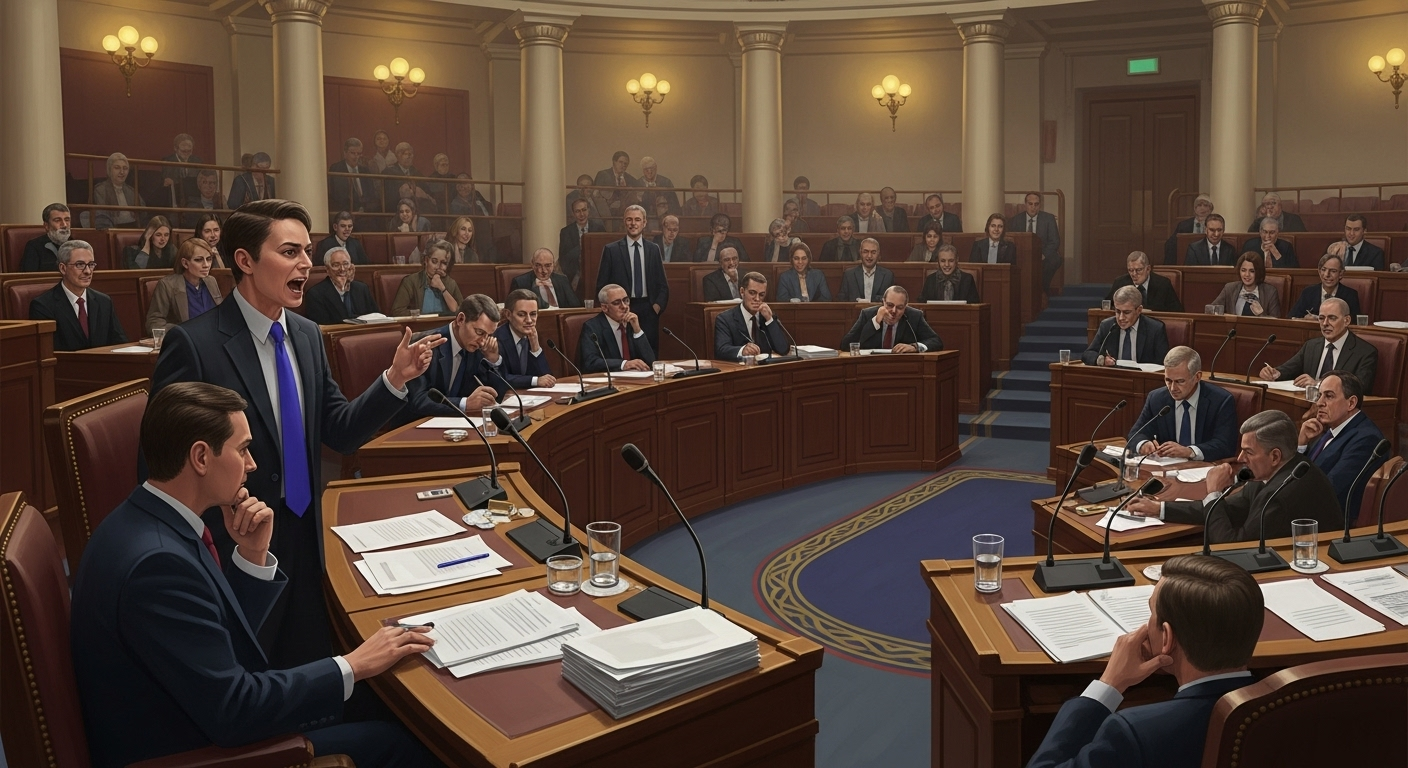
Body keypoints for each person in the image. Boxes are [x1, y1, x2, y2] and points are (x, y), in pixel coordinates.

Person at [70, 382, 443, 768]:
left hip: (200, 711)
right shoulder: (157, 565)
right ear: (201, 456)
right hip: (193, 750)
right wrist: (354, 663)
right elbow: (235, 710)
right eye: (243, 449)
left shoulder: (153, 519)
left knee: (379, 698)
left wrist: (251, 553)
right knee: (400, 740)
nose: (252, 465)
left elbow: (216, 638)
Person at [151, 199, 444, 668]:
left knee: (310, 665)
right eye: (290, 252)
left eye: (307, 251)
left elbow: (341, 432)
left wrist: (396, 380)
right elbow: (166, 465)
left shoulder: (307, 334)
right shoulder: (195, 345)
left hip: (306, 531)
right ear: (245, 261)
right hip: (233, 544)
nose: (306, 263)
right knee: (250, 670)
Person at [1027, 555, 1260, 768]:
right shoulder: (1286, 705)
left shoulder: (1133, 732)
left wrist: (1109, 683)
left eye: (1151, 613)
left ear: (1167, 637)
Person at [1126, 411, 1341, 542]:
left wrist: (1213, 492)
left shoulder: (1281, 495)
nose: (1240, 458)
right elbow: (1226, 509)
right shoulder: (1274, 472)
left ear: (1275, 456)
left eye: (1248, 452)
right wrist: (1159, 509)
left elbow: (1231, 545)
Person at [399, 294, 507, 424]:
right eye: (479, 332)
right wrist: (465, 403)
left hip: (454, 424)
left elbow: (497, 396)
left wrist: (493, 360)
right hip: (412, 427)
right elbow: (417, 401)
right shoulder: (426, 344)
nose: (483, 342)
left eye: (488, 335)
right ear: (461, 319)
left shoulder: (476, 347)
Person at [1299, 371, 1387, 516]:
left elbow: (1330, 490)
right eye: (1319, 395)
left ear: (1351, 403)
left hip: (1326, 518)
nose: (1319, 403)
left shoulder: (1366, 439)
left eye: (1329, 396)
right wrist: (1301, 444)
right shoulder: (1329, 429)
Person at [1128, 347, 1238, 461]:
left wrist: (1189, 451)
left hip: (1204, 469)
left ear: (1197, 377)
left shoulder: (1221, 401)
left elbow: (1225, 445)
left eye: (1180, 381)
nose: (1172, 388)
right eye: (1168, 380)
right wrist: (1143, 444)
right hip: (1168, 469)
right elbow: (1135, 434)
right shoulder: (1157, 398)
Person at [1261, 298, 1377, 392]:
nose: (1325, 323)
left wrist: (1318, 384)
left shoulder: (1365, 352)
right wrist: (1275, 373)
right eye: (1321, 318)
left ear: (1346, 320)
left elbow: (1361, 387)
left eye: (1332, 318)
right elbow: (1289, 368)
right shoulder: (1311, 345)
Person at [29, 240, 128, 350]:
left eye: (91, 265)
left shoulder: (104, 301)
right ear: (63, 268)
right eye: (80, 265)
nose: (88, 271)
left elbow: (119, 343)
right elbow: (48, 352)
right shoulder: (43, 306)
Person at [597, 205, 668, 352]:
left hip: (649, 309)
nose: (633, 223)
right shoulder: (612, 250)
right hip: (621, 309)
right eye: (629, 220)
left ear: (644, 223)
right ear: (624, 222)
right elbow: (602, 286)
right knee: (625, 352)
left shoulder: (653, 249)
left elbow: (663, 285)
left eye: (637, 220)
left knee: (649, 354)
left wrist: (656, 308)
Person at [147, 238, 223, 334]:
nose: (206, 265)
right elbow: (154, 323)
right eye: (199, 260)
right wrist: (183, 332)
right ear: (185, 263)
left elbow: (220, 315)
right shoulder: (167, 285)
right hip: (187, 342)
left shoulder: (211, 281)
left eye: (209, 259)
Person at [1082, 285, 1169, 366]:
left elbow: (1163, 363)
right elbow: (1088, 354)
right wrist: (1102, 360)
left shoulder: (1155, 329)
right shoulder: (1107, 326)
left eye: (1127, 312)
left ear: (1139, 310)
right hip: (1116, 378)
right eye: (1118, 311)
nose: (1121, 318)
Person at [714, 272, 791, 360]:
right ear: (742, 292)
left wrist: (770, 320)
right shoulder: (725, 319)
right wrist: (742, 350)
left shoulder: (766, 317)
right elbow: (721, 350)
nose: (757, 299)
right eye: (752, 293)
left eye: (761, 295)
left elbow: (783, 350)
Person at [841, 286, 941, 353]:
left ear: (906, 306)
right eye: (889, 305)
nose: (893, 311)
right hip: (871, 368)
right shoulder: (867, 314)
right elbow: (845, 345)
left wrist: (915, 347)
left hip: (902, 369)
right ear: (883, 301)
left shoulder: (914, 316)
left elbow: (936, 341)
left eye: (900, 307)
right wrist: (875, 322)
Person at [581, 284, 656, 372]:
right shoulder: (592, 327)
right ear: (605, 308)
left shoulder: (632, 322)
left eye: (626, 300)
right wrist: (624, 364)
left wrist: (637, 330)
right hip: (609, 381)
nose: (624, 306)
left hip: (635, 380)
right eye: (617, 303)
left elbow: (650, 361)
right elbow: (590, 362)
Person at [494, 289, 557, 390]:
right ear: (508, 315)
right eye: (522, 314)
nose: (529, 320)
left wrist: (535, 348)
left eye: (533, 314)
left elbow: (547, 378)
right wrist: (535, 380)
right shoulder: (497, 338)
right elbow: (502, 377)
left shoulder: (533, 336)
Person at [304, 246, 380, 325]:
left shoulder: (362, 289)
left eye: (346, 264)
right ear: (327, 269)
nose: (342, 269)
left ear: (351, 266)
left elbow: (376, 317)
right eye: (336, 265)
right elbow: (322, 328)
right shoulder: (315, 294)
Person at [392, 241, 462, 316]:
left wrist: (442, 288)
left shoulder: (451, 283)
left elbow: (461, 311)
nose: (438, 267)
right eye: (434, 261)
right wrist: (420, 315)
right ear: (426, 260)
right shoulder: (411, 281)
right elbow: (397, 311)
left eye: (444, 263)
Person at [1008, 192, 1061, 290]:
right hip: (1022, 255)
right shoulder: (1015, 220)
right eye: (1030, 204)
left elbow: (1055, 241)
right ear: (1025, 204)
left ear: (1040, 205)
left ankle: (1041, 290)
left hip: (1042, 255)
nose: (1033, 207)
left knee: (1055, 260)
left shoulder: (1048, 219)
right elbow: (1011, 241)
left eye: (1036, 204)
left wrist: (1043, 255)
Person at [1289, 252, 1361, 321]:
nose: (1327, 274)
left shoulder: (1351, 295)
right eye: (1323, 270)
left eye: (1333, 271)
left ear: (1341, 274)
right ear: (1319, 272)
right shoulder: (1308, 292)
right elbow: (1292, 317)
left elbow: (1353, 322)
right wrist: (1305, 320)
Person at [1106, 251, 1184, 313]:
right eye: (1130, 270)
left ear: (1148, 269)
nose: (1134, 274)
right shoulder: (1120, 283)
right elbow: (1107, 306)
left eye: (1138, 270)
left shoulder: (1163, 284)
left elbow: (1177, 312)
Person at [1212, 253, 1282, 317]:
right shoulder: (1230, 288)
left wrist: (1261, 314)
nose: (1247, 275)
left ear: (1258, 272)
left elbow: (1276, 322)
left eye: (1252, 271)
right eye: (1243, 270)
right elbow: (1211, 309)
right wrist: (1228, 317)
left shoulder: (1270, 292)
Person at [559, 197, 607, 291]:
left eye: (584, 210)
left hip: (595, 273)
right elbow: (564, 259)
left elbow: (604, 252)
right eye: (577, 211)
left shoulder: (599, 228)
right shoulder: (566, 232)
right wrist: (582, 244)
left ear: (588, 210)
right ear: (573, 214)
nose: (582, 214)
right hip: (574, 275)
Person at [91, 152, 144, 229]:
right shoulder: (100, 190)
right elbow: (102, 217)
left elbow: (143, 214)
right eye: (117, 167)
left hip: (132, 228)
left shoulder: (131, 191)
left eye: (125, 168)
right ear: (109, 169)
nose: (122, 172)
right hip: (112, 229)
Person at [327, 137, 375, 214]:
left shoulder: (365, 170)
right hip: (344, 212)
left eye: (359, 153)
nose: (356, 157)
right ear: (345, 153)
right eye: (353, 153)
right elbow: (337, 195)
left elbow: (371, 194)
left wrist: (364, 209)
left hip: (365, 213)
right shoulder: (336, 169)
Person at [1163, 193, 1214, 264]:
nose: (1202, 208)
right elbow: (1171, 243)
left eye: (1205, 205)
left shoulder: (1214, 224)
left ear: (1210, 209)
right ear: (1195, 209)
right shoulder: (1183, 225)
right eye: (1199, 205)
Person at [839, 238, 894, 303]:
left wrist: (870, 302)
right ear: (860, 252)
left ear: (878, 254)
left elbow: (890, 299)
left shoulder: (887, 275)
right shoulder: (849, 274)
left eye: (873, 252)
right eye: (866, 252)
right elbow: (841, 299)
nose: (869, 256)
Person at [20, 202, 70, 271]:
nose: (64, 225)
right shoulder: (34, 247)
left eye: (67, 220)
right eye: (57, 220)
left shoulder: (77, 245)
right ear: (47, 226)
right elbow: (28, 278)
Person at [159, 133, 202, 206]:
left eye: (189, 151)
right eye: (183, 151)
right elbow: (166, 181)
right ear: (175, 148)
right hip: (174, 197)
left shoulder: (198, 161)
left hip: (193, 198)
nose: (186, 153)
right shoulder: (168, 161)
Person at [593, 151, 637, 216]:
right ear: (614, 162)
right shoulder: (603, 175)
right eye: (620, 162)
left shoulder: (631, 179)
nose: (623, 165)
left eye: (625, 164)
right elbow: (596, 195)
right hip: (606, 212)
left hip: (624, 213)